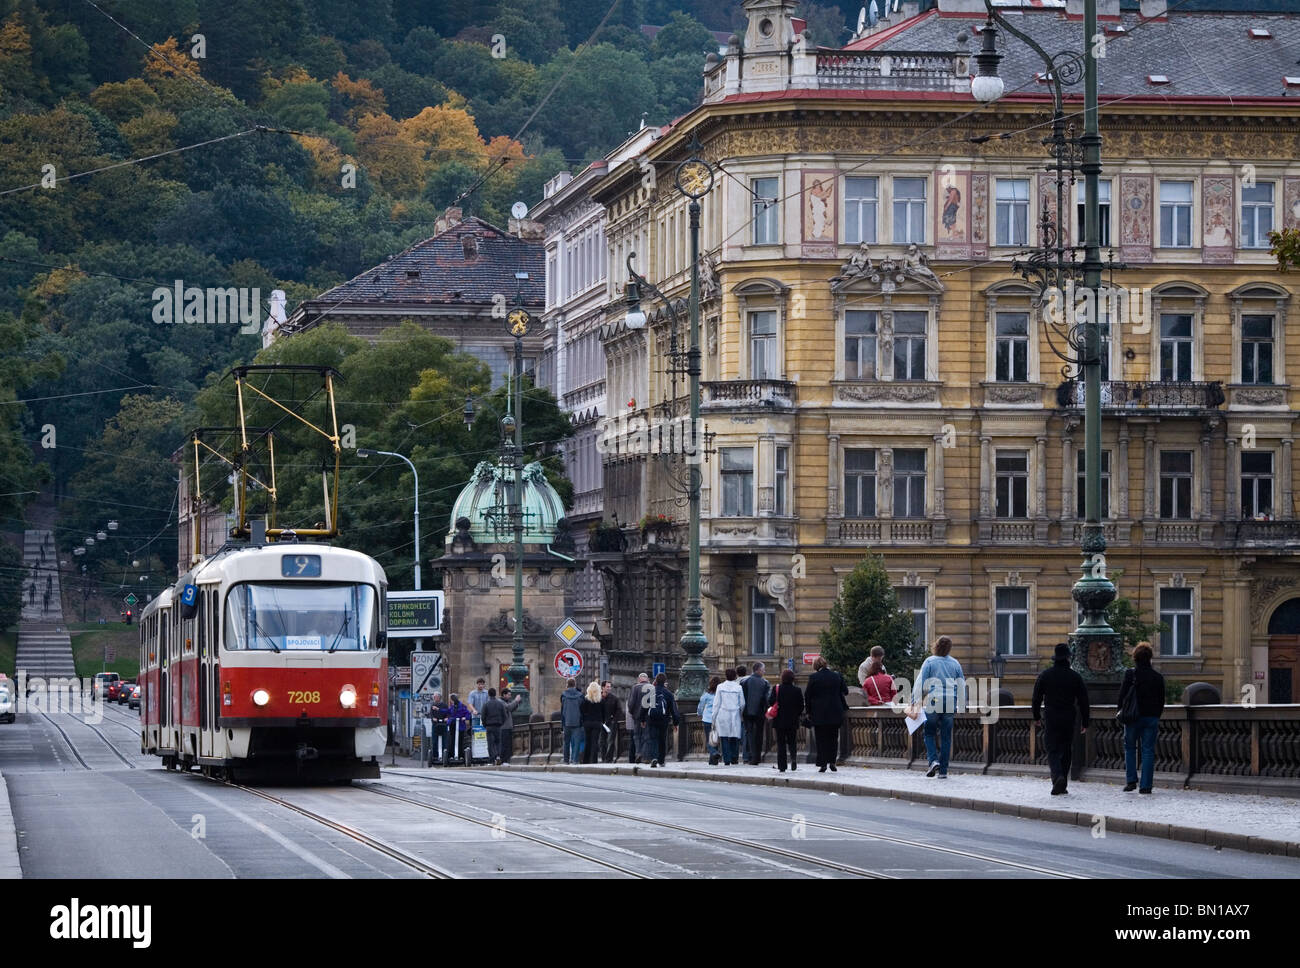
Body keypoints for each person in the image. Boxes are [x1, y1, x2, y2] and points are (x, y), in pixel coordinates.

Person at [1032, 643, 1091, 795]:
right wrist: (1085, 721)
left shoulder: (1045, 675)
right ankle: (1063, 781)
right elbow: (1084, 700)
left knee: (1052, 749)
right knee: (1066, 750)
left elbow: (1036, 698)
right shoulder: (1075, 676)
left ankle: (1057, 776)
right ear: (1068, 658)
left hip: (1051, 717)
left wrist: (1036, 716)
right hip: (1069, 717)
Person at [1118, 641, 1165, 794]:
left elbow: (1122, 696)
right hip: (1151, 717)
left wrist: (1121, 712)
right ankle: (1146, 786)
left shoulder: (1130, 674)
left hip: (1132, 717)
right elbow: (1161, 699)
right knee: (1148, 751)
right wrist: (1156, 715)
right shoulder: (1158, 677)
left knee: (1130, 748)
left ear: (1135, 657)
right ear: (1150, 658)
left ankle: (1131, 781)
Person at [916, 636, 963, 778]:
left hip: (933, 699)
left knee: (929, 732)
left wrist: (916, 700)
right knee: (946, 737)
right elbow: (961, 685)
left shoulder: (929, 661)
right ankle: (943, 771)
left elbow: (922, 684)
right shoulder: (955, 663)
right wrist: (961, 705)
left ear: (935, 646)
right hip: (950, 701)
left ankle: (933, 760)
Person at [804, 656, 847, 772]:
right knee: (833, 738)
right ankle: (832, 762)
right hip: (835, 711)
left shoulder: (813, 677)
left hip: (819, 713)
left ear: (816, 666)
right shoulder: (836, 676)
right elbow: (845, 691)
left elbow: (808, 696)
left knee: (821, 739)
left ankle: (823, 764)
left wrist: (808, 711)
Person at [638, 672, 680, 767]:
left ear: (656, 681)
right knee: (662, 739)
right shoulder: (668, 694)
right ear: (665, 682)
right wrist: (675, 722)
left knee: (653, 738)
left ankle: (654, 758)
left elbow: (644, 707)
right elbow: (673, 709)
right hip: (663, 720)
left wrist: (642, 720)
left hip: (652, 719)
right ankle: (661, 760)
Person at [768, 668, 804, 773]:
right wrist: (796, 714)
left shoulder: (776, 688)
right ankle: (793, 759)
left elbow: (770, 702)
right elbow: (801, 706)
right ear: (793, 679)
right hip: (792, 721)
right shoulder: (797, 690)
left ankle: (782, 766)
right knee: (792, 742)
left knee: (781, 743)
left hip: (779, 721)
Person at [741, 661, 771, 765]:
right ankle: (757, 757)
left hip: (747, 712)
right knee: (759, 735)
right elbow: (767, 699)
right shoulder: (765, 682)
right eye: (763, 669)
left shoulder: (745, 682)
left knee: (749, 734)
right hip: (760, 713)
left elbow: (742, 699)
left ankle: (750, 756)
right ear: (758, 670)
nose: (764, 671)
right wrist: (768, 711)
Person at [479, 687, 508, 765]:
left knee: (490, 743)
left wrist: (485, 725)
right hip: (498, 726)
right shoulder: (500, 704)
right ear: (495, 694)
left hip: (489, 726)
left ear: (489, 695)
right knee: (498, 742)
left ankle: (492, 759)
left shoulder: (486, 704)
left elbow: (483, 716)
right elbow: (505, 716)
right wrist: (501, 723)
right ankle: (498, 756)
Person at [627, 673, 652, 763]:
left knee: (637, 736)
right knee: (647, 736)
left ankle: (638, 753)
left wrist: (633, 713)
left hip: (637, 717)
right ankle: (646, 756)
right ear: (647, 679)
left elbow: (631, 703)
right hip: (648, 716)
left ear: (639, 679)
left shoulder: (635, 688)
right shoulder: (651, 687)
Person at [560, 678, 584, 764]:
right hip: (577, 722)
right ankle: (575, 760)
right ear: (575, 684)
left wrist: (561, 725)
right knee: (577, 742)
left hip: (567, 722)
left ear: (567, 684)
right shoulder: (580, 696)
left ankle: (566, 760)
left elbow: (562, 711)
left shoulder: (563, 695)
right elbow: (582, 710)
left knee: (566, 742)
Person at [698, 676, 721, 765]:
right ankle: (713, 761)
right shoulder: (719, 694)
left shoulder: (706, 695)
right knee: (715, 739)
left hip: (707, 719)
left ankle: (714, 753)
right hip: (717, 719)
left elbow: (701, 705)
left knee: (709, 740)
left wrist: (699, 713)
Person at [580, 681, 604, 764]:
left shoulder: (586, 699)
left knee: (588, 741)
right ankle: (594, 760)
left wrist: (584, 720)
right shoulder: (600, 700)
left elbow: (582, 711)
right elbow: (603, 712)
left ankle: (585, 760)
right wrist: (602, 721)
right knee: (595, 742)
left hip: (587, 723)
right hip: (597, 723)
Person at [444, 694, 472, 764]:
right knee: (452, 740)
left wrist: (465, 718)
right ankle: (451, 755)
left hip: (460, 726)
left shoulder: (462, 706)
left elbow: (468, 714)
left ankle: (461, 755)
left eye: (450, 700)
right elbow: (447, 712)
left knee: (460, 741)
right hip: (453, 726)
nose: (450, 701)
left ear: (453, 700)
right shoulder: (452, 707)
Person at [498, 687, 523, 765]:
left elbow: (511, 708)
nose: (510, 696)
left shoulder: (506, 701)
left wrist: (517, 703)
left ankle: (507, 759)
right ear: (504, 695)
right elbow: (508, 708)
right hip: (504, 727)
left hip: (508, 726)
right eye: (508, 695)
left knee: (508, 744)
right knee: (504, 744)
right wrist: (516, 700)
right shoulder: (501, 702)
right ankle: (503, 760)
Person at [600, 681, 621, 762]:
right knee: (602, 742)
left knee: (610, 741)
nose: (609, 688)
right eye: (607, 687)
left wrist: (614, 720)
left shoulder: (614, 698)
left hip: (611, 722)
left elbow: (619, 710)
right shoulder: (598, 697)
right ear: (603, 687)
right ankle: (603, 758)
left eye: (610, 687)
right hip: (601, 723)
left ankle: (608, 759)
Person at [427, 692, 449, 767]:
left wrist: (446, 718)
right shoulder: (432, 705)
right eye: (434, 697)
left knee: (445, 741)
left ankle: (444, 754)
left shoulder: (444, 705)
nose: (434, 698)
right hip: (435, 725)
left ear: (439, 697)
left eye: (435, 697)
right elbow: (431, 714)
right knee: (434, 741)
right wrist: (433, 718)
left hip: (443, 724)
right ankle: (435, 756)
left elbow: (447, 713)